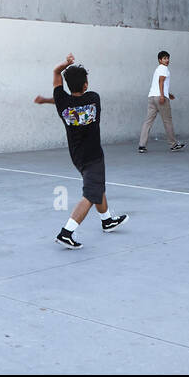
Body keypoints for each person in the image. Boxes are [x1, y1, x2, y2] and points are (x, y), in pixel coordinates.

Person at [49, 54, 126, 249]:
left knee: (97, 186)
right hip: (93, 155)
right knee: (92, 193)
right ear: (85, 85)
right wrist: (70, 66)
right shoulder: (94, 98)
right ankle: (66, 232)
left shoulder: (61, 101)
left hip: (77, 156)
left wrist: (65, 65)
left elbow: (56, 72)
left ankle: (107, 220)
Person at [138, 49, 184, 153]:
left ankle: (141, 145)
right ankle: (173, 145)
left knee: (148, 122)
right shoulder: (164, 68)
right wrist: (163, 96)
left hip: (151, 97)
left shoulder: (158, 69)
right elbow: (161, 81)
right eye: (164, 58)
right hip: (160, 97)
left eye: (168, 58)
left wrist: (169, 94)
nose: (167, 60)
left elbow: (159, 83)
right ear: (160, 60)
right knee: (167, 121)